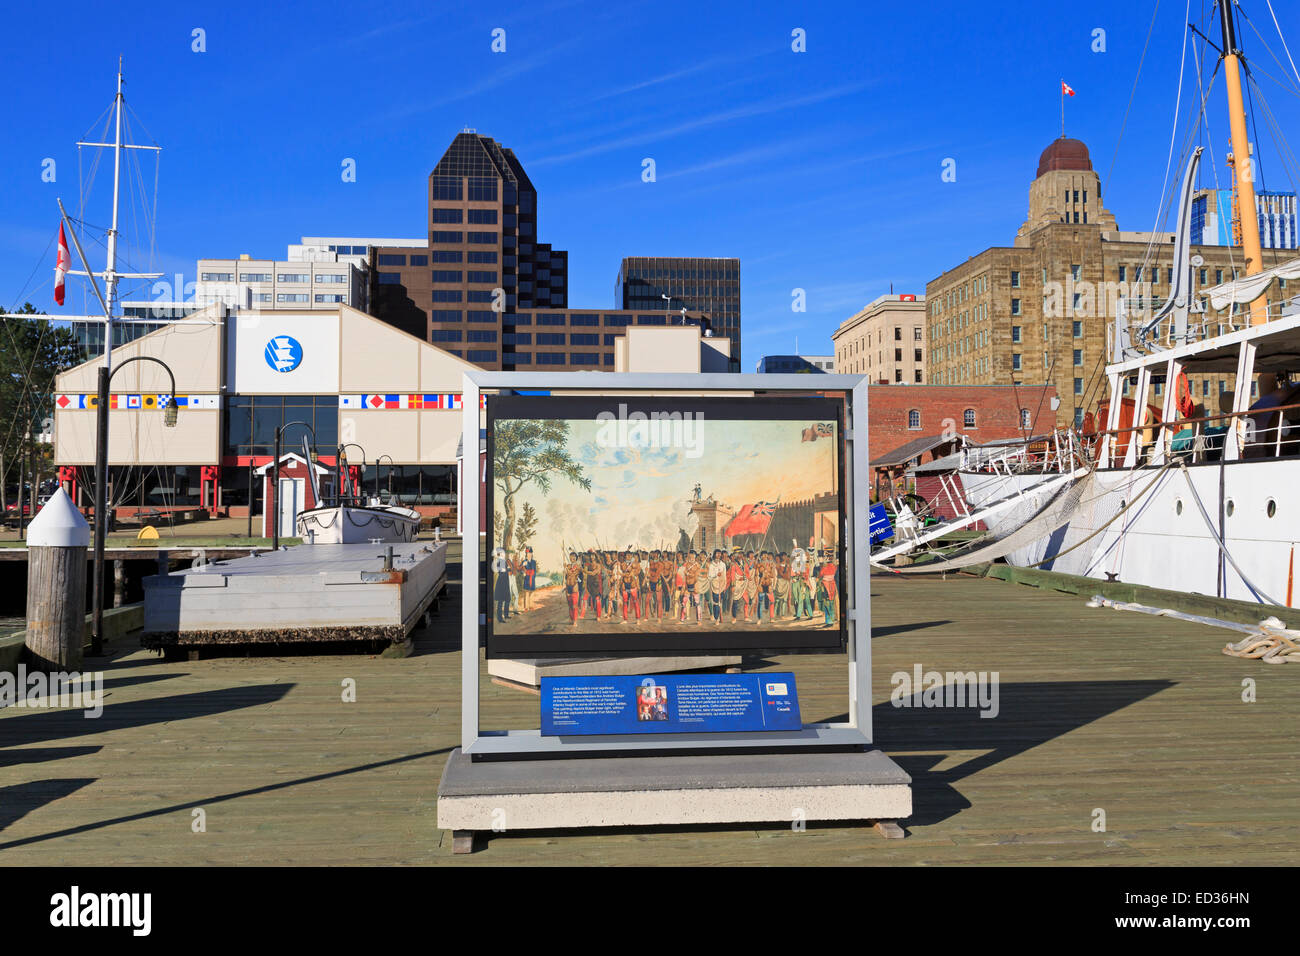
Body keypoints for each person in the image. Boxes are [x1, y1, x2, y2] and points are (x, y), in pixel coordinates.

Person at [491, 548, 512, 623]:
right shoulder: (500, 561)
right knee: (501, 601)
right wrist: (507, 569)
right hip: (501, 583)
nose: (504, 554)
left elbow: (506, 570)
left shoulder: (503, 561)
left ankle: (506, 615)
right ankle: (500, 618)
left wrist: (508, 569)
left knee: (507, 599)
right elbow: (501, 571)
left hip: (505, 582)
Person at [518, 546, 536, 612]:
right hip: (527, 578)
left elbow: (535, 571)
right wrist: (523, 572)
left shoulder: (534, 562)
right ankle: (526, 607)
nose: (528, 554)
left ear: (531, 554)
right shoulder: (524, 561)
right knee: (527, 593)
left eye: (529, 553)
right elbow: (520, 569)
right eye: (527, 553)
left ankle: (531, 606)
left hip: (532, 578)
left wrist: (533, 577)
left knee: (532, 592)